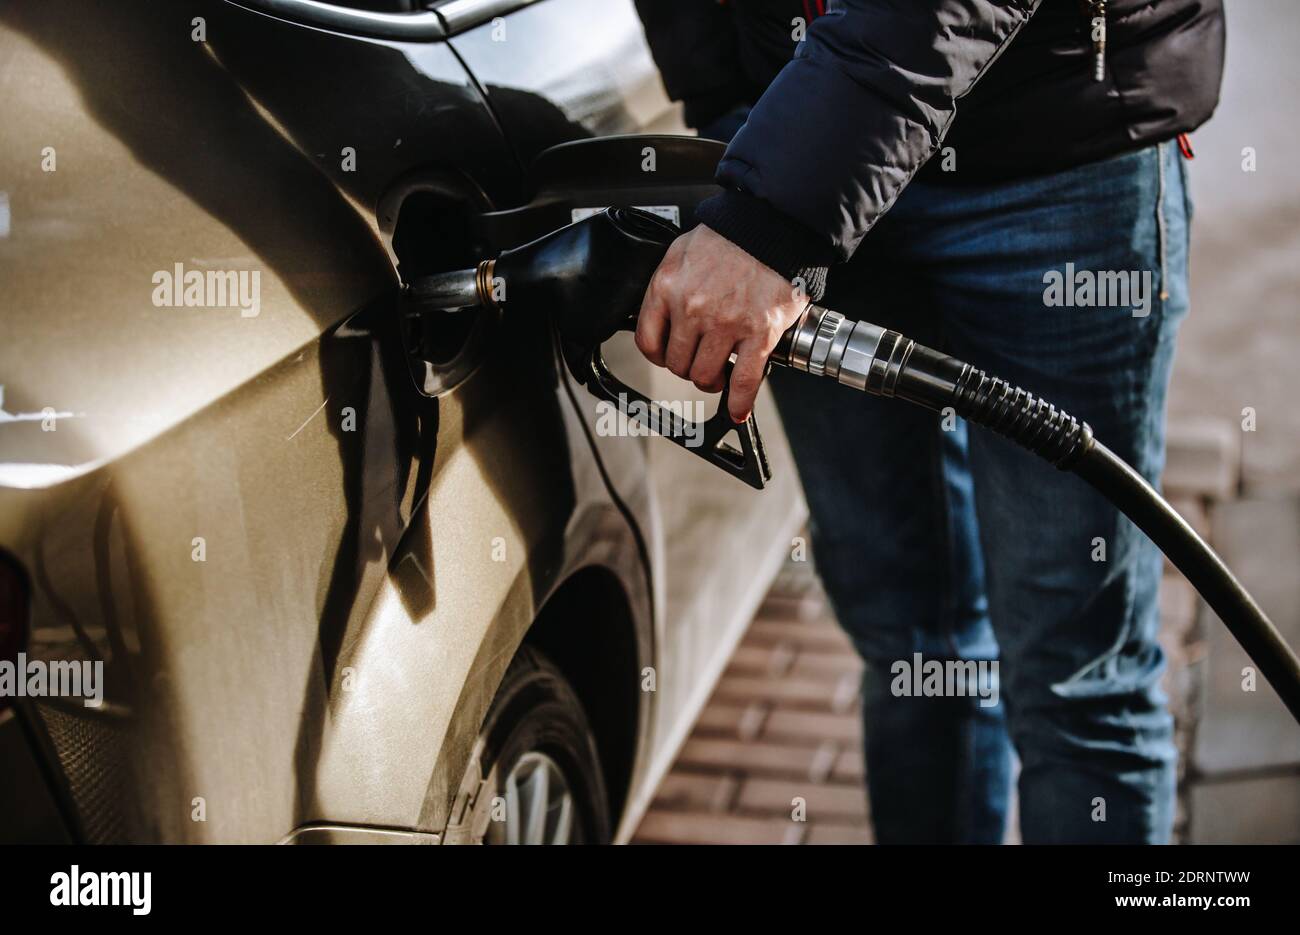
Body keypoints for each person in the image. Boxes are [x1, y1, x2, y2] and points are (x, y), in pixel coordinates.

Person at [632, 0, 1224, 844]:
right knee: (912, 648)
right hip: (801, 142)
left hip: (1060, 150)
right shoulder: (782, 152)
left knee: (1078, 681)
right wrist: (737, 106)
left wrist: (778, 205)